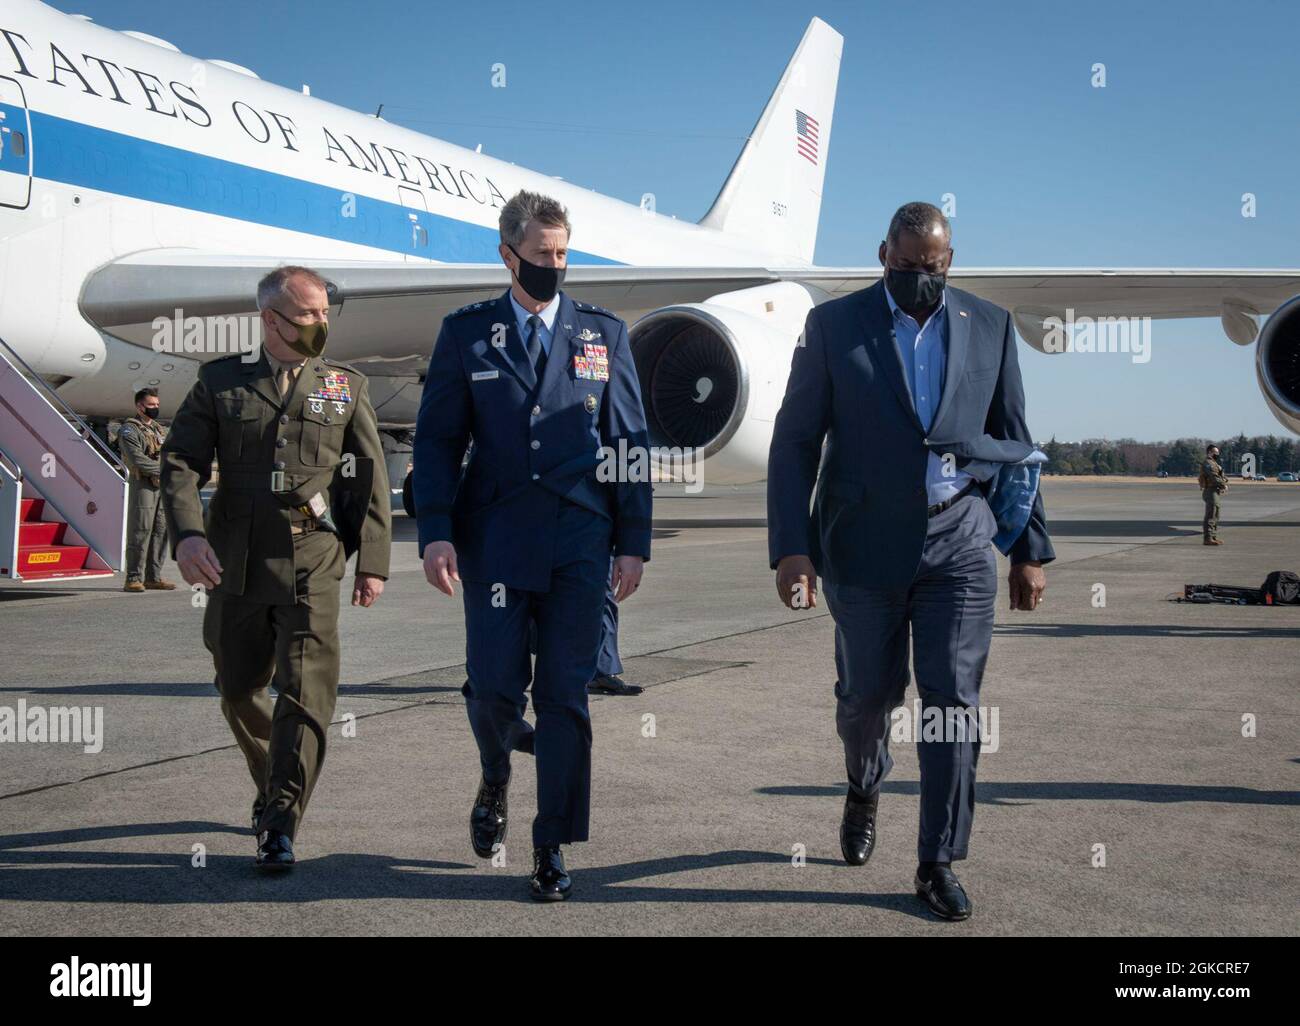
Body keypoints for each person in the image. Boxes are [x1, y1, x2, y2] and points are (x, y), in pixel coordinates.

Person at [766, 202, 1053, 922]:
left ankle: (938, 861)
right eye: (906, 266)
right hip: (862, 543)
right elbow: (796, 438)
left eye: (932, 267)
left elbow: (1016, 440)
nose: (919, 277)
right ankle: (864, 783)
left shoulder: (989, 325)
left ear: (949, 261)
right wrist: (792, 547)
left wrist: (1028, 550)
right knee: (868, 700)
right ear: (882, 255)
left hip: (958, 538)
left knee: (953, 704)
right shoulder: (835, 326)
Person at [412, 190, 652, 902]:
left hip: (581, 537)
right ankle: (495, 772)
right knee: (491, 687)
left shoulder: (602, 334)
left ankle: (551, 845)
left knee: (565, 697)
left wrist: (633, 541)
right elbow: (436, 440)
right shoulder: (466, 333)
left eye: (563, 252)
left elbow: (628, 443)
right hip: (496, 538)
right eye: (543, 254)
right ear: (507, 254)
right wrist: (435, 533)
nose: (556, 264)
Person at [161, 265, 392, 872]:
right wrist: (186, 535)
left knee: (306, 693)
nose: (320, 324)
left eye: (324, 313)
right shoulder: (220, 382)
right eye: (308, 314)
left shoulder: (343, 385)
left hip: (313, 559)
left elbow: (367, 472)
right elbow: (181, 459)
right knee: (237, 688)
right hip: (234, 563)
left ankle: (280, 820)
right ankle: (273, 781)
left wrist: (373, 562)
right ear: (271, 319)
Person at [118, 388, 174, 592]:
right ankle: (133, 577)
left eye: (157, 405)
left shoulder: (159, 430)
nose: (155, 408)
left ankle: (153, 576)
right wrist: (163, 471)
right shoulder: (129, 430)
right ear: (139, 406)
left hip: (161, 485)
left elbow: (170, 453)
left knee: (160, 530)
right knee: (140, 530)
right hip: (143, 484)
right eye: (151, 405)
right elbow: (137, 459)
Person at [1199, 443, 1227, 545]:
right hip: (1210, 491)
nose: (1217, 454)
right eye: (1215, 452)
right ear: (1210, 452)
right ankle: (1208, 538)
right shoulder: (1208, 463)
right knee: (1211, 515)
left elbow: (1219, 475)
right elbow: (1213, 476)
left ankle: (1213, 537)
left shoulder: (1214, 463)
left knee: (1216, 515)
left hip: (1215, 490)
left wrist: (1223, 483)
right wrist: (1223, 485)